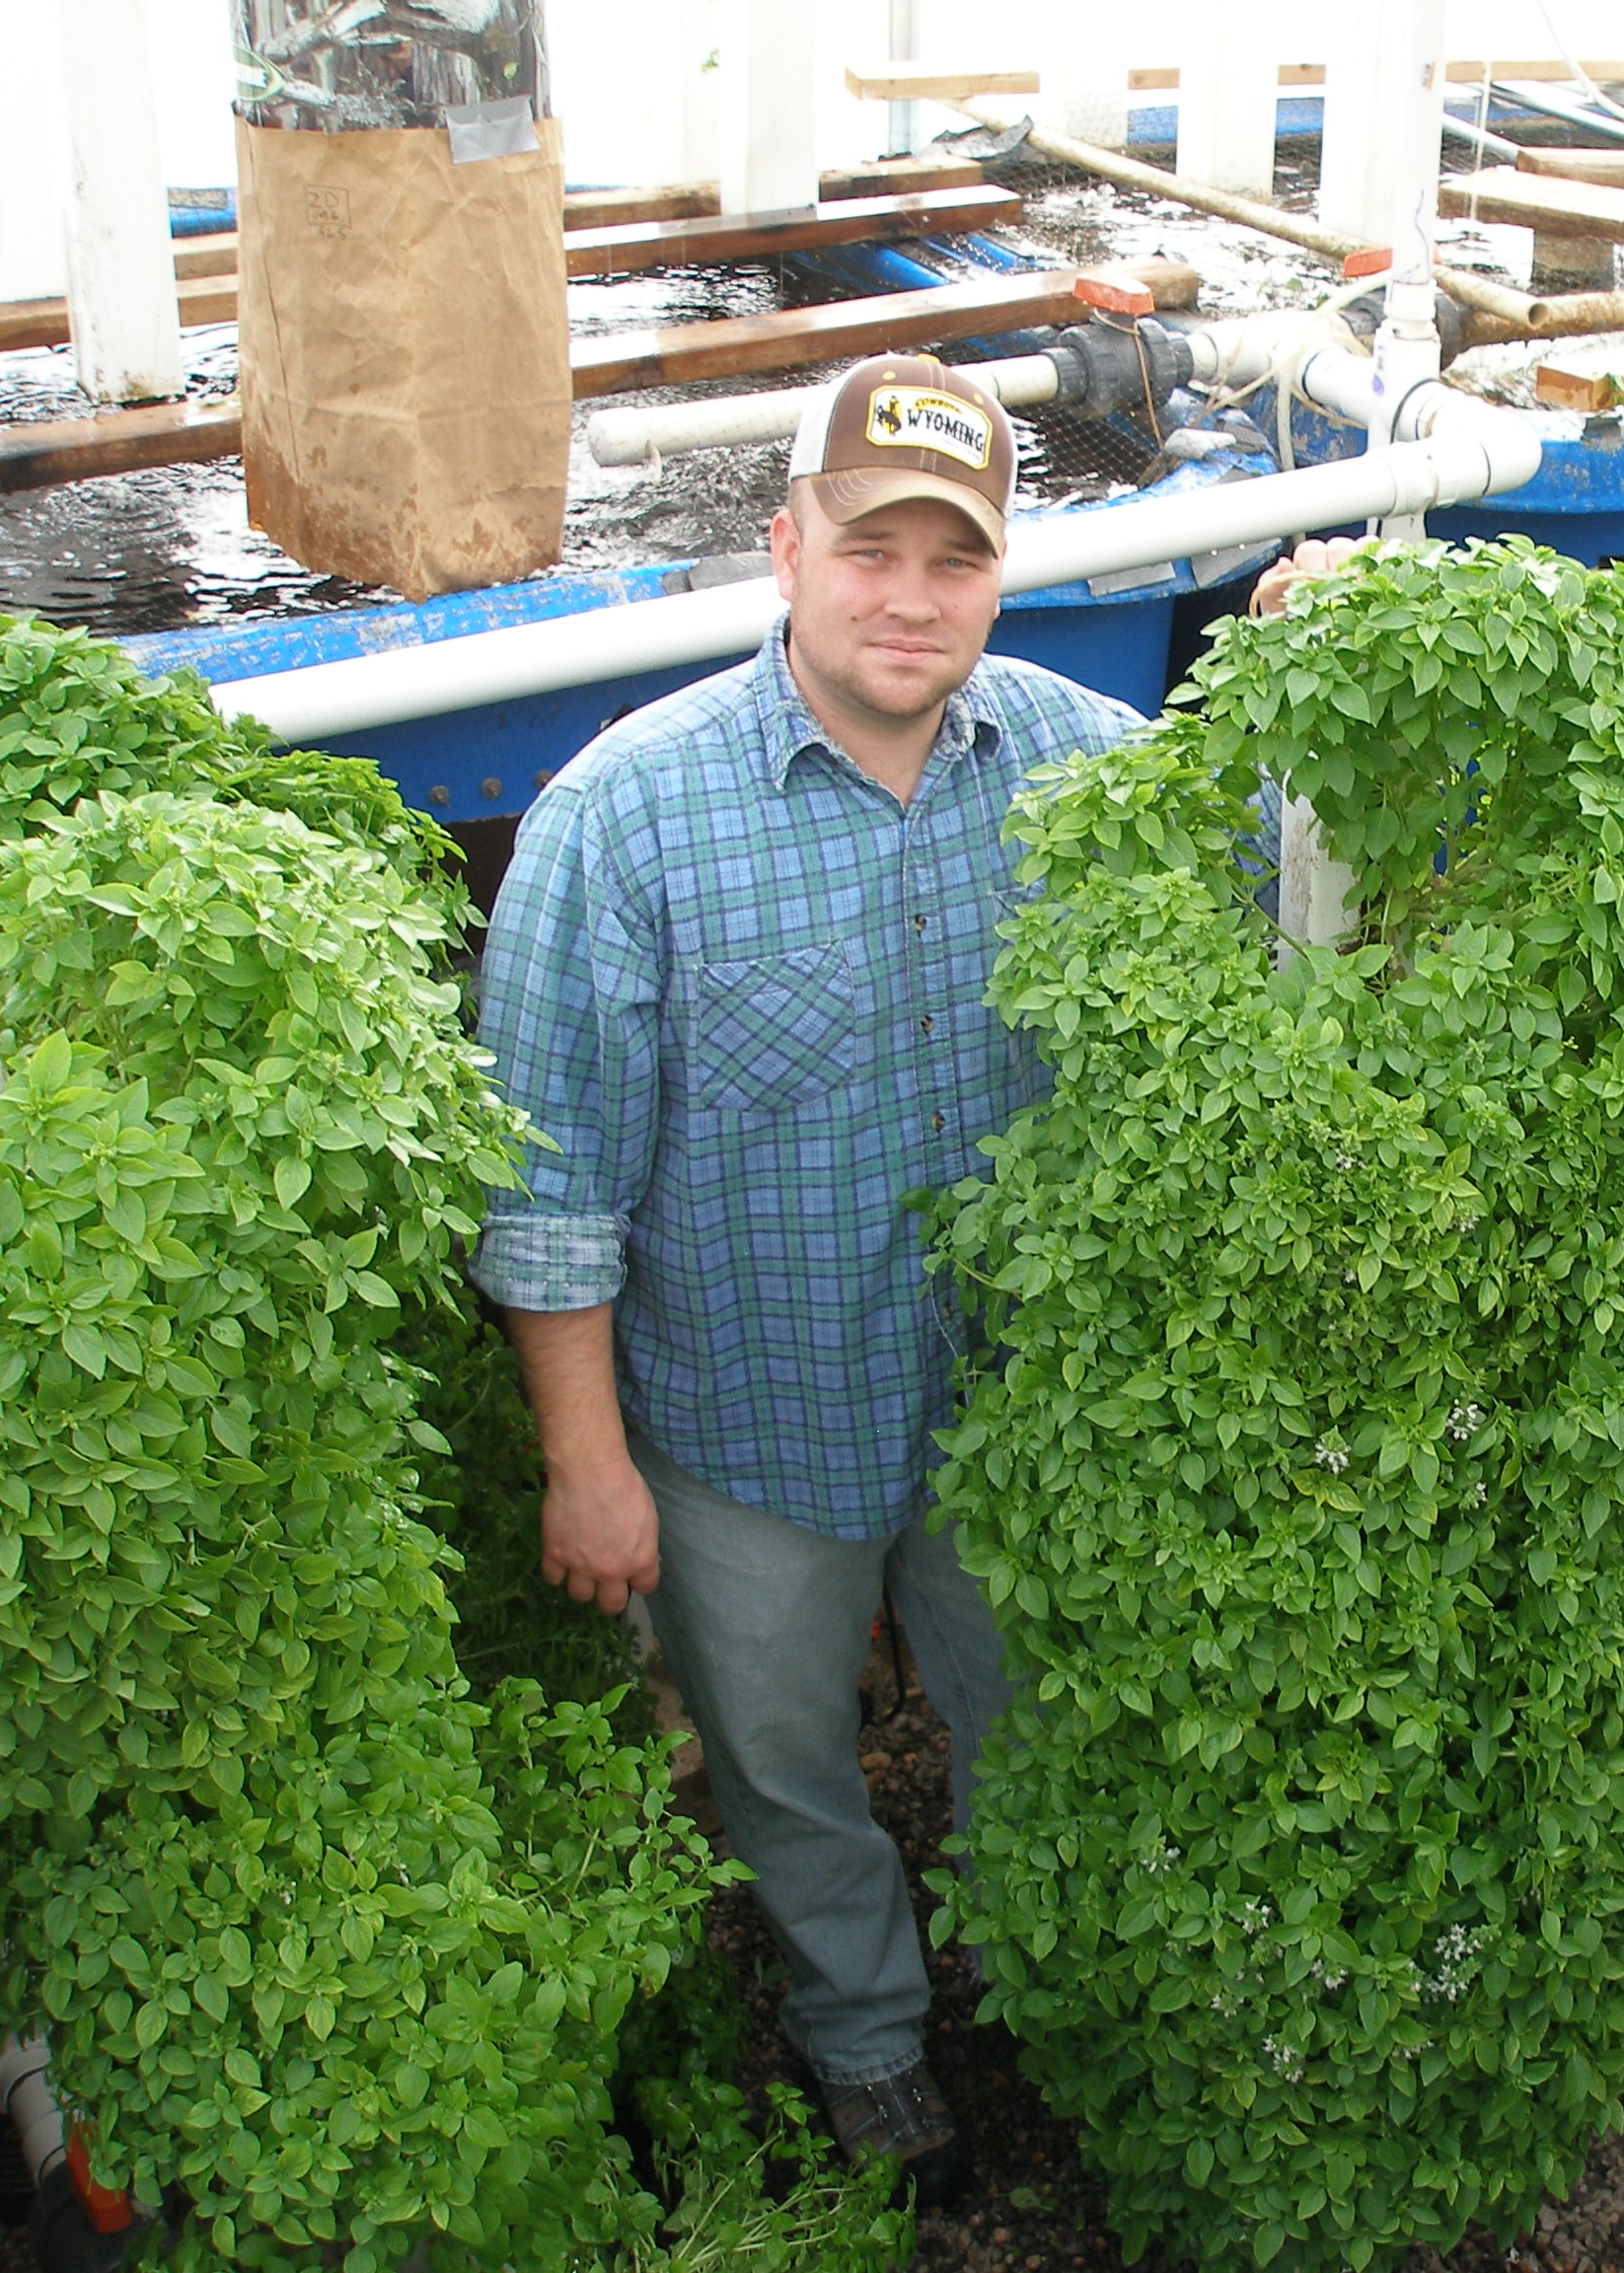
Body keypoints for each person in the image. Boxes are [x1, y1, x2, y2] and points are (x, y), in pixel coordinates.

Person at [474, 352, 1349, 2206]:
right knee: (786, 1769)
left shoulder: (1083, 765)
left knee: (1028, 1724)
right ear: (783, 550)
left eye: (953, 558)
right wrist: (588, 1462)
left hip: (1009, 1414)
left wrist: (1301, 657)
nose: (910, 596)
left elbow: (1275, 846)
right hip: (745, 1428)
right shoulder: (622, 823)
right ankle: (867, 2039)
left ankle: (1042, 1986)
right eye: (871, 548)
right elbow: (550, 1191)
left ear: (1001, 574)